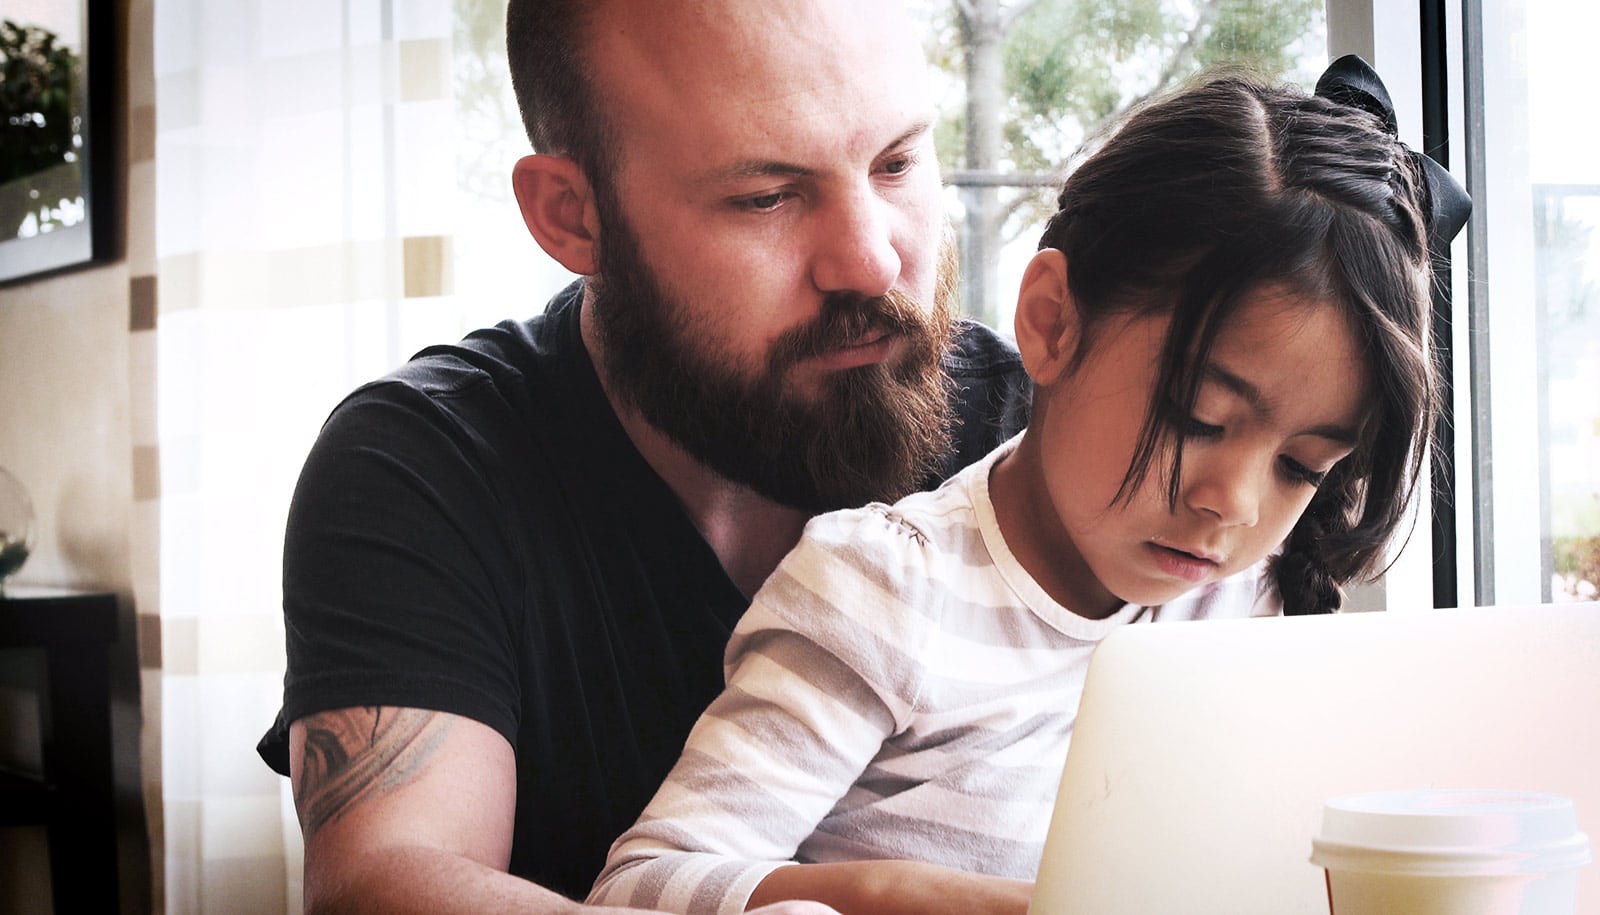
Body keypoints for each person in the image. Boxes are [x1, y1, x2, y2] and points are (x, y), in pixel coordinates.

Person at [585, 57, 1473, 915]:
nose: (1233, 504)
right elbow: (640, 886)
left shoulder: (1245, 602)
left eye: (1301, 466)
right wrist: (901, 893)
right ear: (1051, 321)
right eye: (1198, 418)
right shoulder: (884, 593)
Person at [253, 0, 1033, 913]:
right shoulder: (426, 467)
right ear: (572, 216)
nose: (869, 261)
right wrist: (842, 899)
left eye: (897, 162)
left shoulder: (1030, 438)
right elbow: (385, 884)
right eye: (766, 196)